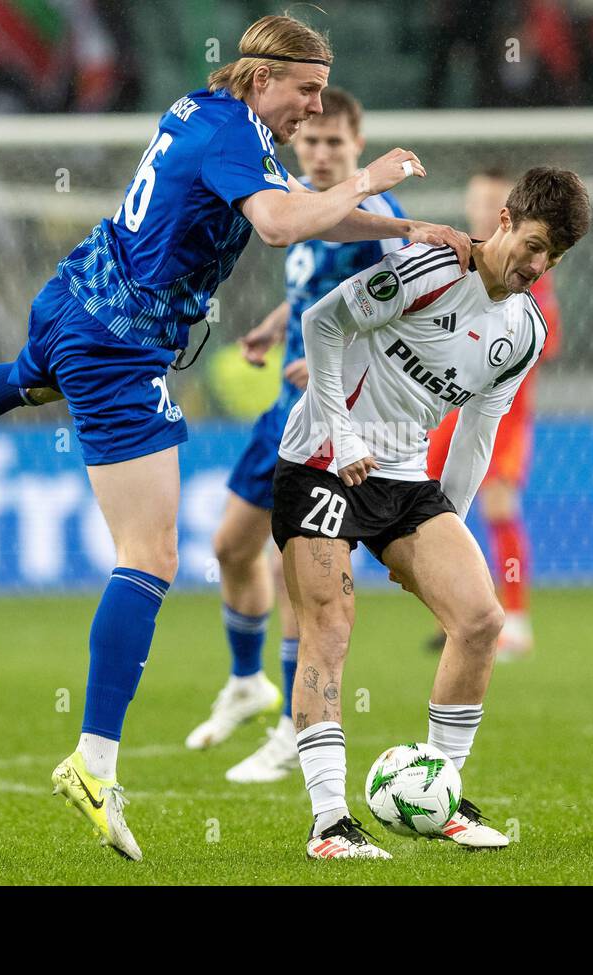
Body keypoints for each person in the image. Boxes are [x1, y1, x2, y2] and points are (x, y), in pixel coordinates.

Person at [0, 13, 469, 862]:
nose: (313, 107)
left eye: (321, 91)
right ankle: (93, 760)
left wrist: (402, 227)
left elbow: (303, 212)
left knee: (25, 376)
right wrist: (370, 178)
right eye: (305, 88)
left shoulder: (206, 112)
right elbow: (279, 225)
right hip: (120, 343)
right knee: (151, 555)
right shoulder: (236, 135)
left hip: (78, 293)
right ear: (264, 74)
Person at [270, 167, 590, 858]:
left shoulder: (523, 332)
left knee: (480, 618)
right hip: (322, 459)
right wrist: (346, 433)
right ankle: (329, 824)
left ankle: (440, 790)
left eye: (552, 258)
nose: (537, 266)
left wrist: (450, 530)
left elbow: (480, 431)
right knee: (330, 626)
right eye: (533, 244)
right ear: (504, 219)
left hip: (405, 478)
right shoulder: (431, 269)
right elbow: (322, 322)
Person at [185, 88, 409, 786]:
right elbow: (318, 282)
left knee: (299, 568)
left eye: (334, 145)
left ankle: (294, 728)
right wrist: (278, 324)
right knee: (230, 545)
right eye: (309, 142)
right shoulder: (300, 200)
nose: (318, 153)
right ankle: (249, 681)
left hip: (333, 417)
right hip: (284, 406)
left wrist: (328, 356)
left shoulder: (379, 218)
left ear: (357, 146)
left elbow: (408, 311)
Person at [425, 168, 562, 657]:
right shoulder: (456, 265)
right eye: (476, 200)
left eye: (491, 202)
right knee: (433, 506)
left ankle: (517, 621)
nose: (481, 210)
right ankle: (458, 612)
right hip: (447, 408)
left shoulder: (529, 273)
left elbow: (538, 348)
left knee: (498, 507)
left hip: (502, 417)